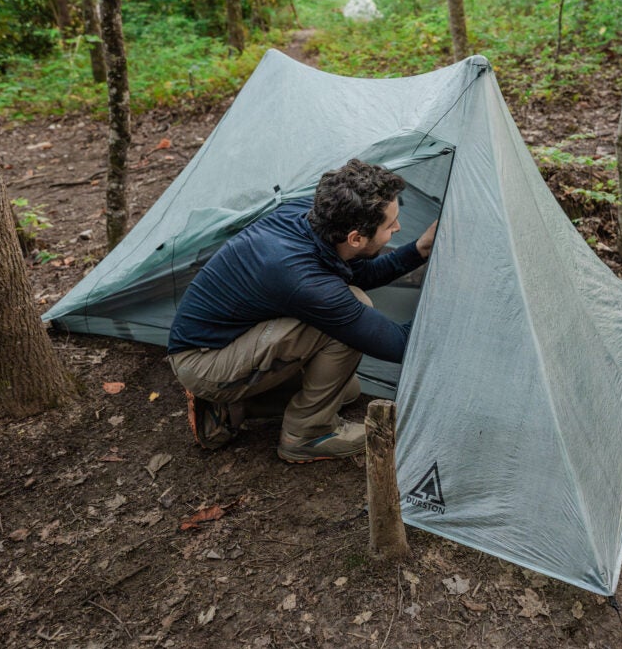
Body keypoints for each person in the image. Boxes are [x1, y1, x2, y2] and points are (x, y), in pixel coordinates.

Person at [167, 159, 437, 463]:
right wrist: (454, 313)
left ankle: (232, 409)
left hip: (228, 341)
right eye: (390, 225)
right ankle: (307, 435)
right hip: (205, 363)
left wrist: (421, 249)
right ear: (355, 238)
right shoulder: (301, 277)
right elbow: (399, 344)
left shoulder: (313, 217)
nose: (398, 228)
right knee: (356, 306)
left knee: (348, 391)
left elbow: (360, 273)